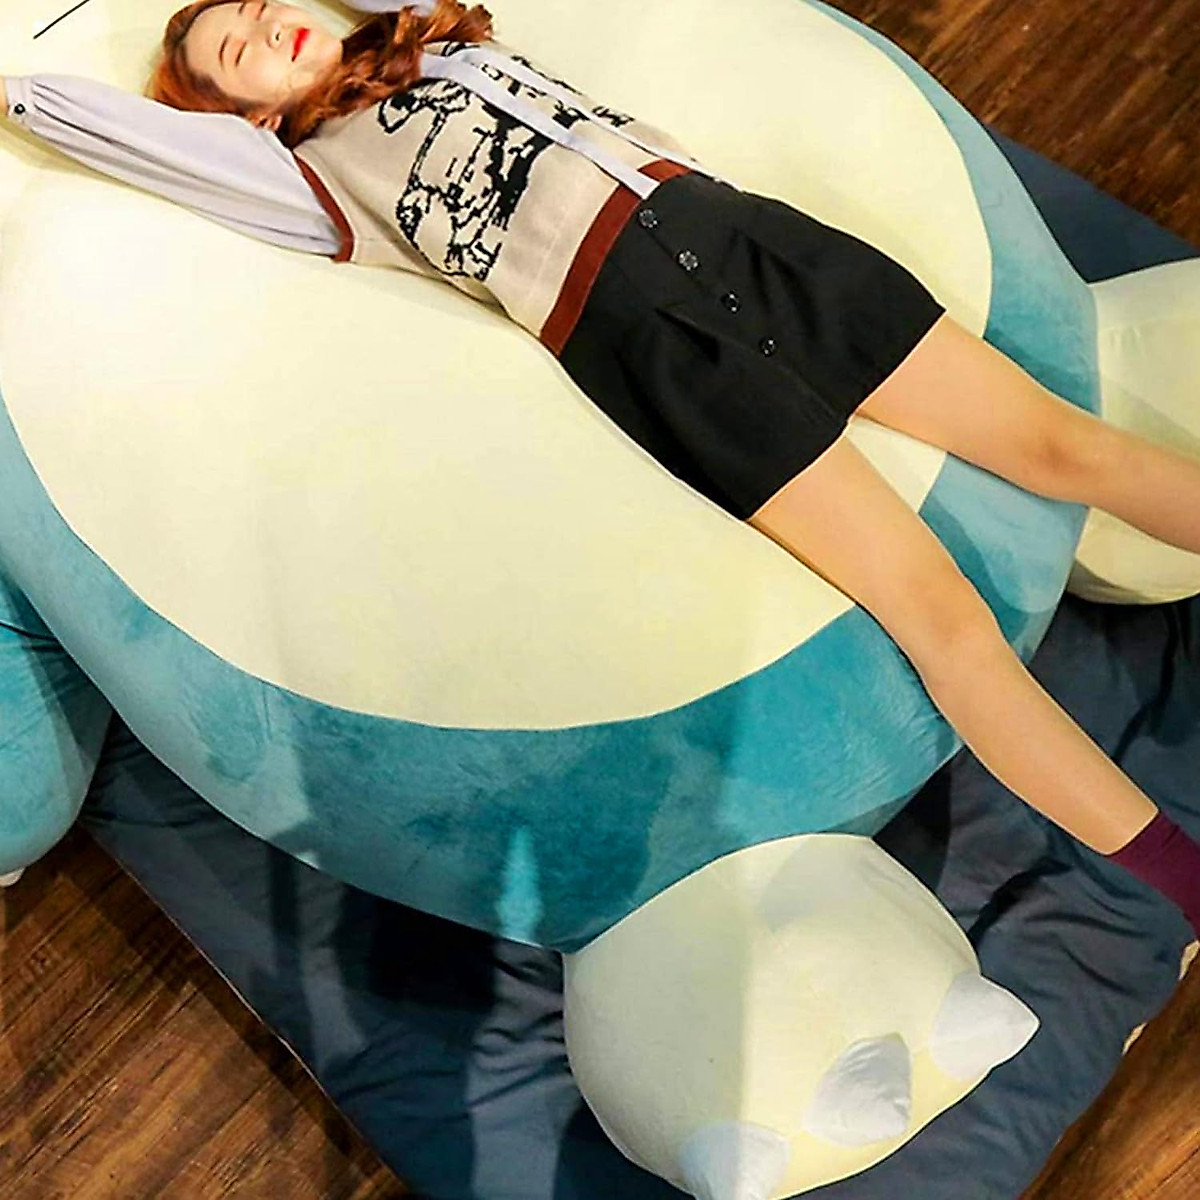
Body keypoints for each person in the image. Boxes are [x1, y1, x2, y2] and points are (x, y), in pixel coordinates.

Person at [3, 0, 1199, 934]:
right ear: (242, 117)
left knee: (1071, 447)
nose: (269, 28)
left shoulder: (440, 32)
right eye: (238, 50)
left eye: (262, 9)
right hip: (652, 348)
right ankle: (1183, 881)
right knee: (941, 620)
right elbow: (125, 131)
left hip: (758, 242)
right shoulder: (314, 184)